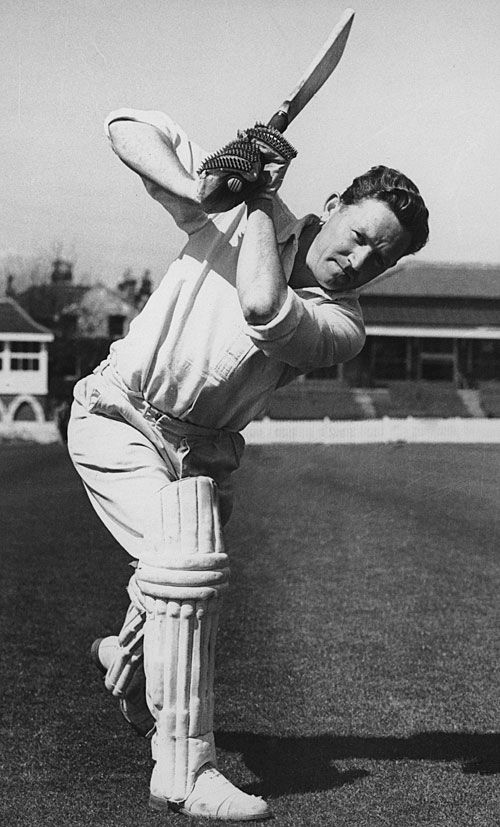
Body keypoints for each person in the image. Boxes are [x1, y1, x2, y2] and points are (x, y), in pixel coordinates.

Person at [67, 108, 429, 821]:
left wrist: (257, 198)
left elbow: (263, 304)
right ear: (330, 208)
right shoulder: (231, 214)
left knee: (173, 576)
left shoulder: (344, 326)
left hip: (205, 458)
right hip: (118, 416)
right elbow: (125, 124)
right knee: (185, 566)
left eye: (381, 258)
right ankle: (184, 773)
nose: (360, 260)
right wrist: (201, 193)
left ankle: (126, 657)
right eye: (358, 236)